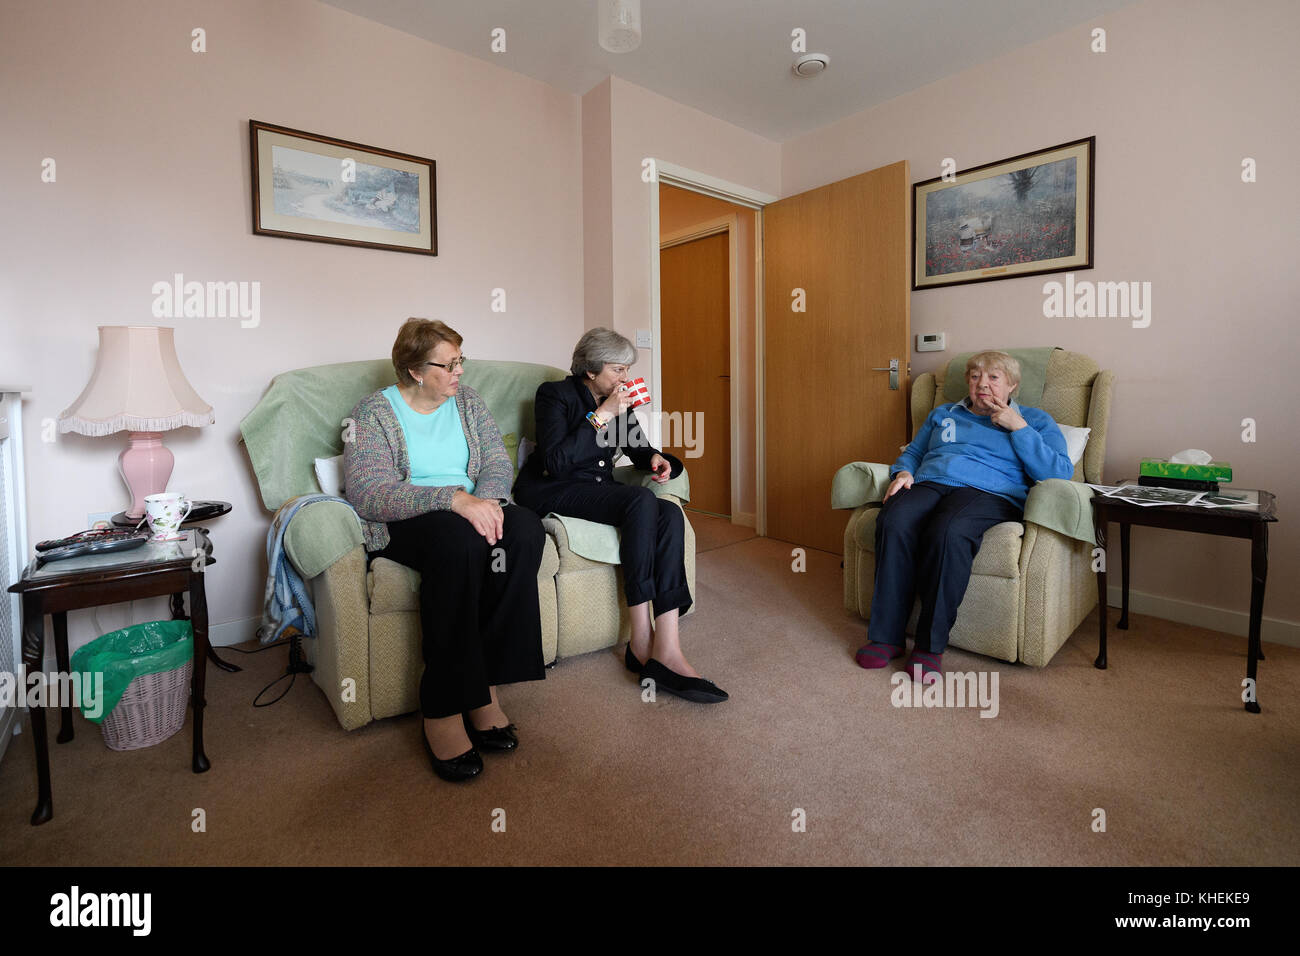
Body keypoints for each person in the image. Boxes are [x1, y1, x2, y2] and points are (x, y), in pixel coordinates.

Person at [344, 318, 547, 782]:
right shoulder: (370, 414)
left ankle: (484, 692)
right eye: (448, 364)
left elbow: (496, 459)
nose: (459, 371)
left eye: (460, 360)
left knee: (526, 531)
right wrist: (454, 499)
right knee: (458, 543)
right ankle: (440, 710)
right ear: (415, 369)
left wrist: (490, 504)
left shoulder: (468, 401)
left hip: (472, 506)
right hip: (409, 517)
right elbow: (369, 492)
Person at [514, 328, 728, 704]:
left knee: (668, 513)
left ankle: (669, 645)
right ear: (591, 370)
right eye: (618, 369)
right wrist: (602, 415)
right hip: (554, 487)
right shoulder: (556, 395)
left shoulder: (618, 400)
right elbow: (556, 461)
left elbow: (640, 449)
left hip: (597, 490)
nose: (625, 378)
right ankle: (641, 638)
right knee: (640, 501)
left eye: (628, 369)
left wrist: (657, 460)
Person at [855, 351, 1072, 683]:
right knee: (893, 519)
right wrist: (903, 473)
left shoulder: (1036, 420)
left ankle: (929, 647)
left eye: (993, 378)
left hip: (991, 493)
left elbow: (1057, 471)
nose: (982, 384)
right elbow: (914, 452)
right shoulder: (944, 413)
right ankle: (886, 637)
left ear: (1012, 385)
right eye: (974, 377)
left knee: (948, 530)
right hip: (931, 482)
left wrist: (1019, 428)